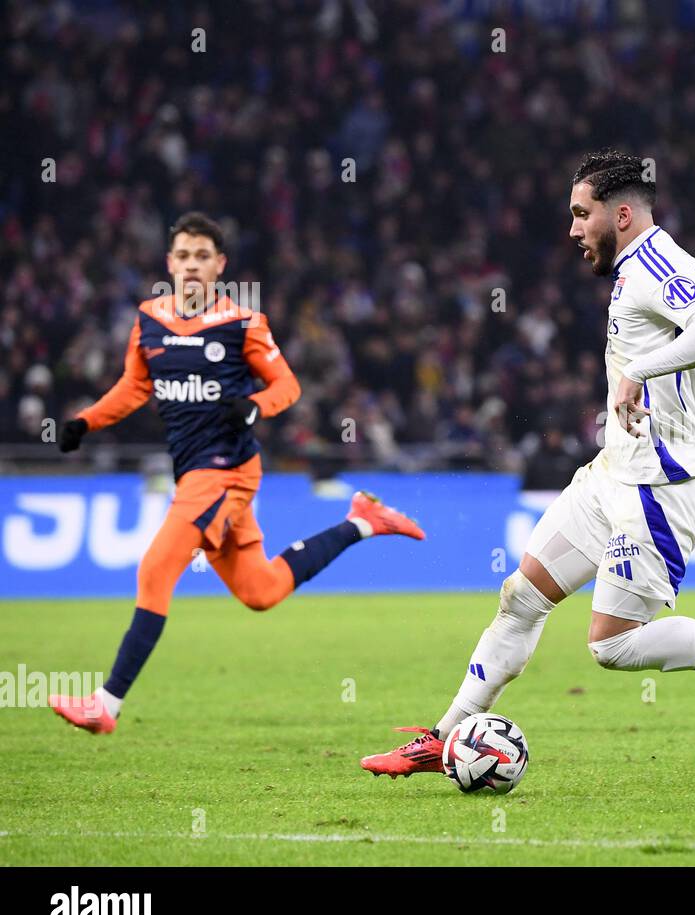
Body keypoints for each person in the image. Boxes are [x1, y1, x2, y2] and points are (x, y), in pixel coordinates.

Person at [361, 149, 695, 779]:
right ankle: (444, 738)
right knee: (521, 597)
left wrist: (640, 369)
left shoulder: (655, 262)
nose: (573, 230)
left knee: (612, 645)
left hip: (661, 484)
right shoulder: (640, 266)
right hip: (613, 473)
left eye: (582, 214)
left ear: (621, 213)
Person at [50, 212, 425, 735]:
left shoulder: (242, 323)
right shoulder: (149, 320)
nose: (192, 265)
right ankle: (363, 521)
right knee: (260, 590)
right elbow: (135, 388)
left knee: (156, 569)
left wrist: (252, 407)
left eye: (203, 256)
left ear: (220, 265)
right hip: (195, 477)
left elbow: (286, 387)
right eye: (183, 255)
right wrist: (85, 421)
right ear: (169, 263)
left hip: (226, 472)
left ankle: (106, 704)